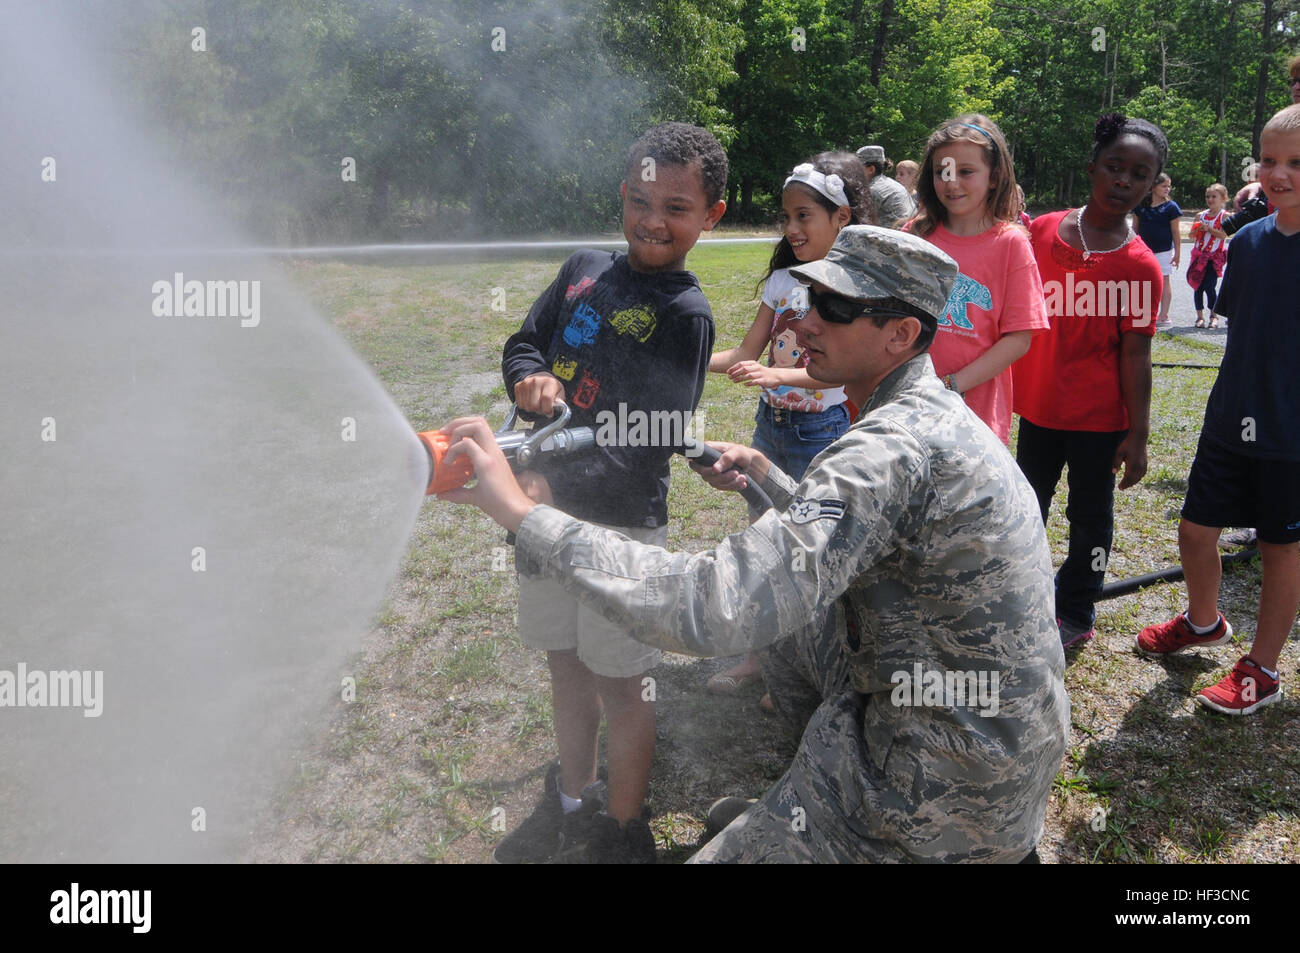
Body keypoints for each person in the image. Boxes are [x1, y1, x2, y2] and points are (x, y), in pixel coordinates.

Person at [440, 225, 1070, 863]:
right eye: (811, 299)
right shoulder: (923, 414)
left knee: (771, 607)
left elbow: (718, 606)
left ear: (901, 335)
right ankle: (804, 810)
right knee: (795, 618)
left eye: (837, 308)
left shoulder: (888, 449)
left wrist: (523, 515)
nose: (807, 322)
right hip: (977, 726)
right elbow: (841, 538)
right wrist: (764, 477)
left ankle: (843, 830)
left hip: (949, 783)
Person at [495, 122, 727, 863]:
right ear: (622, 193)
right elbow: (525, 343)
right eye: (640, 198)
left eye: (678, 207)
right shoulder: (582, 269)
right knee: (564, 662)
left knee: (623, 682)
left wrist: (543, 482)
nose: (654, 220)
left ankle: (623, 829)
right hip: (540, 514)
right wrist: (528, 378)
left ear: (712, 216)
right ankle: (572, 795)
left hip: (618, 530)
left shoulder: (684, 313)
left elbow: (650, 434)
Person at [1135, 104, 1300, 715]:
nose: (1277, 173)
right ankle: (1203, 623)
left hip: (1291, 433)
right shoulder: (1249, 241)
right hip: (1231, 415)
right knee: (1194, 530)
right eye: (1268, 159)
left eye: (1295, 163)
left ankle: (1262, 667)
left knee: (1282, 548)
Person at [704, 153, 870, 704]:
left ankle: (809, 667)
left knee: (811, 549)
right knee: (767, 542)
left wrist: (774, 372)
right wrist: (680, 355)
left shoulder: (853, 284)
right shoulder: (781, 280)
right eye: (788, 217)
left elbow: (843, 370)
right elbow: (744, 352)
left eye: (805, 217)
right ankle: (765, 657)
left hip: (820, 430)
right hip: (770, 427)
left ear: (841, 217)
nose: (792, 228)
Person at [1012, 114, 1164, 650]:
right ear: (1093, 167)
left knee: (1090, 516)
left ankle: (1076, 606)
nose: (1124, 181)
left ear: (1152, 184)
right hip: (1037, 408)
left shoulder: (1141, 266)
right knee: (1025, 506)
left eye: (1139, 174)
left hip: (1100, 420)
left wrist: (1138, 433)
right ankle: (1020, 595)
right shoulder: (1040, 231)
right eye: (1114, 167)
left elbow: (1136, 352)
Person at [904, 114, 1048, 445]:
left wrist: (950, 385)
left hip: (975, 414)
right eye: (943, 172)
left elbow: (1018, 338)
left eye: (966, 171)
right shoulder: (914, 234)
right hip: (909, 403)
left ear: (994, 177)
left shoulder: (1012, 244)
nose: (952, 183)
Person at [1132, 173, 1182, 327]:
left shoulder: (1171, 207)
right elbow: (1134, 228)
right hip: (1142, 250)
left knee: (1164, 280)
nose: (1167, 189)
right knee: (1139, 281)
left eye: (1169, 186)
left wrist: (1178, 254)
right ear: (1153, 187)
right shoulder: (1140, 206)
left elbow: (1175, 231)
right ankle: (1139, 312)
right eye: (1164, 186)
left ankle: (1163, 315)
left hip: (1163, 250)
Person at [1188, 183, 1229, 328]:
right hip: (1199, 256)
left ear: (1223, 198)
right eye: (1208, 196)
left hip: (1213, 257)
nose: (1210, 199)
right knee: (1197, 286)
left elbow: (1224, 235)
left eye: (1214, 197)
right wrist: (1196, 231)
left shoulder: (1224, 216)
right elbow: (1192, 236)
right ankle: (1199, 316)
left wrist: (1209, 229)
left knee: (1210, 286)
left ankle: (1213, 314)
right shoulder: (1201, 215)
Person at [856, 144, 916, 227]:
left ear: (871, 169)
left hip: (895, 237)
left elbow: (858, 223)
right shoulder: (889, 183)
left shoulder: (873, 190)